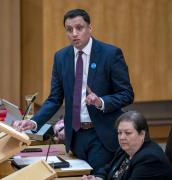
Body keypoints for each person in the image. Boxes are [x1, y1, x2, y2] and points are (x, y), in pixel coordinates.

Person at [13, 9, 134, 173]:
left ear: (90, 28)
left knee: (98, 176)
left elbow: (127, 94)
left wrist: (101, 102)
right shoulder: (61, 57)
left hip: (101, 136)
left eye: (79, 28)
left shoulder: (110, 54)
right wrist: (34, 122)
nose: (74, 34)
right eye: (69, 30)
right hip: (75, 136)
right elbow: (55, 99)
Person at [82, 111, 172, 180]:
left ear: (142, 134)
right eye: (119, 133)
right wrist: (98, 178)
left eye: (127, 133)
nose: (122, 137)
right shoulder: (125, 150)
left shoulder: (150, 159)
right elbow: (107, 169)